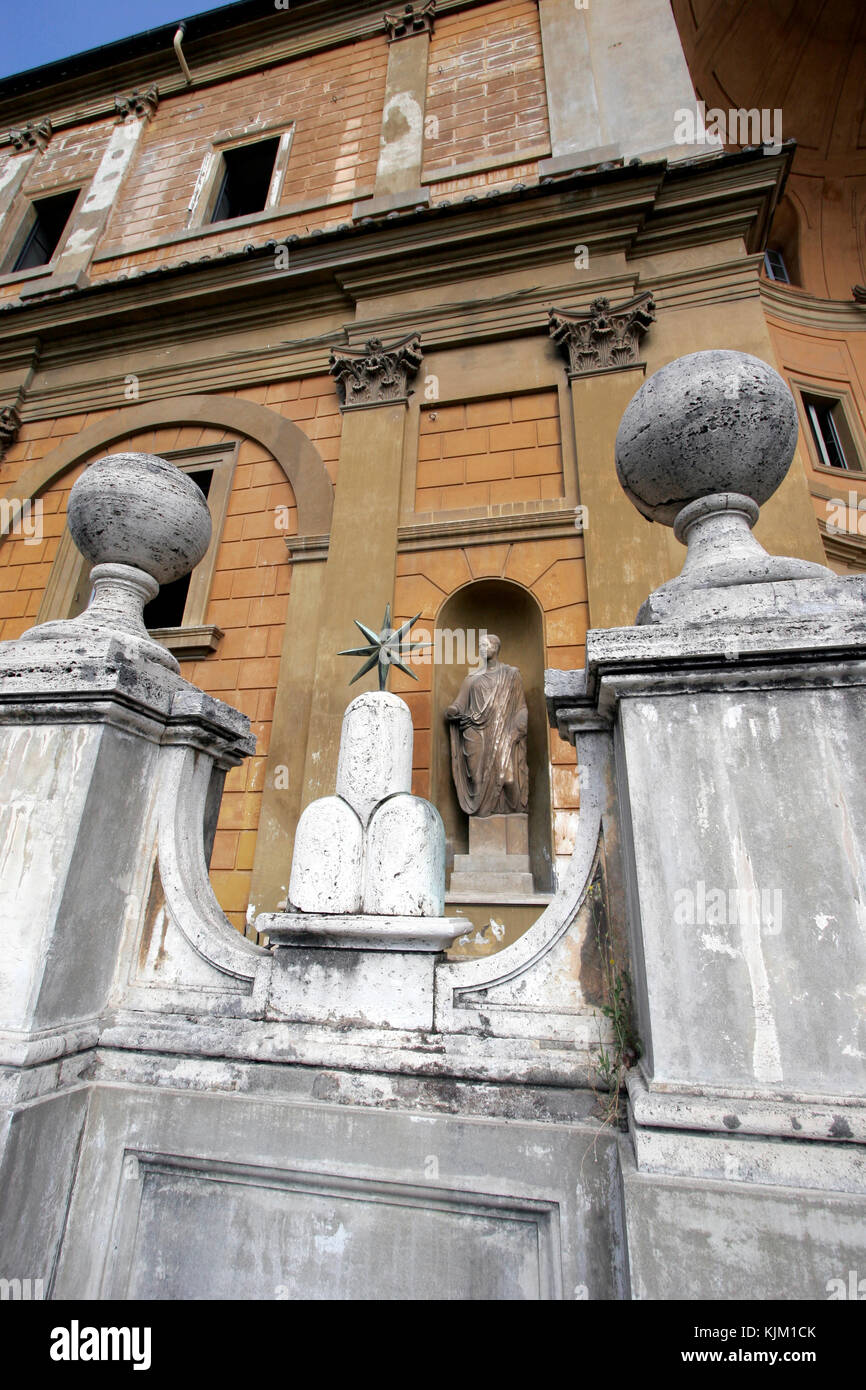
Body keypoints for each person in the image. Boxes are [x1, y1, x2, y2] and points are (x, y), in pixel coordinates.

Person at [445, 633, 528, 817]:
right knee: (477, 778)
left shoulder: (511, 675)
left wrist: (518, 729)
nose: (481, 649)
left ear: (495, 647)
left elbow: (521, 707)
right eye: (480, 646)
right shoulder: (472, 678)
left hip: (503, 732)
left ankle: (515, 813)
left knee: (508, 778)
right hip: (474, 732)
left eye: (485, 645)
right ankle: (483, 819)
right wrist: (453, 711)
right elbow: (459, 703)